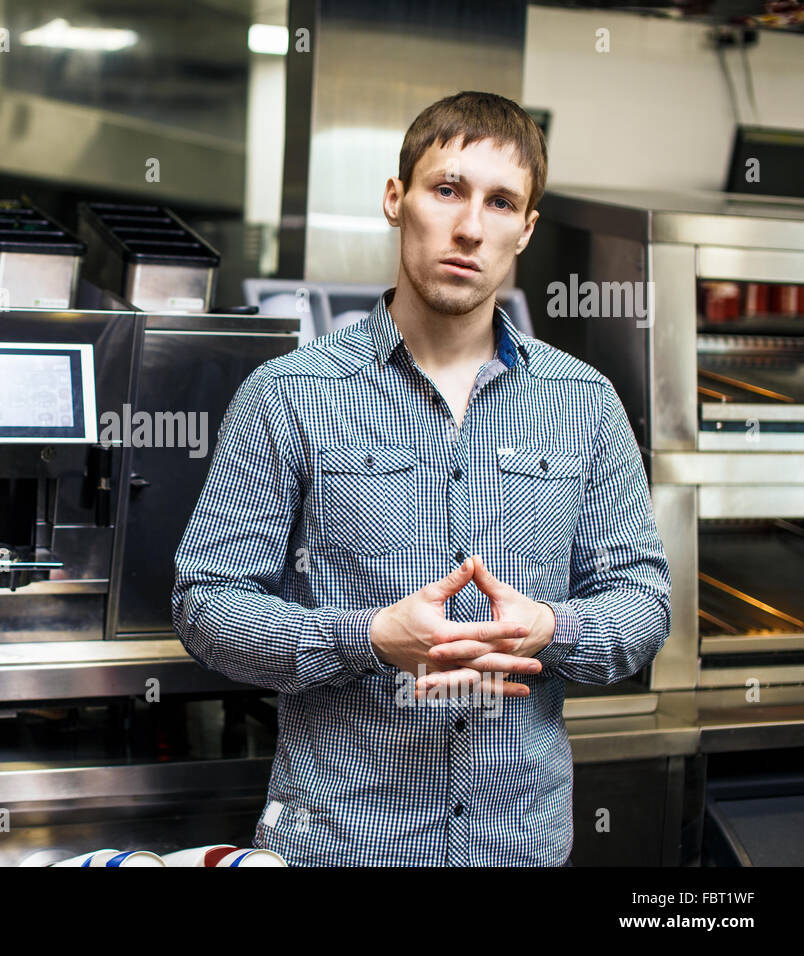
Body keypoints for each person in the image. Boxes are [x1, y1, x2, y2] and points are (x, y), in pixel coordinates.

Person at [171, 91, 670, 866]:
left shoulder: (586, 404)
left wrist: (551, 629)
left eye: (501, 202)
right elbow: (205, 606)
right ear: (396, 200)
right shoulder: (288, 394)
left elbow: (643, 605)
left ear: (526, 230)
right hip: (340, 845)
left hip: (520, 846)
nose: (471, 226)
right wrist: (365, 638)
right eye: (447, 189)